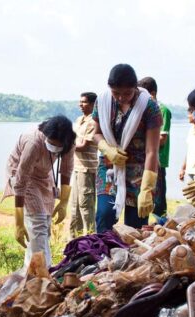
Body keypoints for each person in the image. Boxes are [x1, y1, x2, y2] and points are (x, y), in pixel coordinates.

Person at [92, 64, 163, 232]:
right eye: (116, 93)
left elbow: (152, 151)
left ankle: (133, 257)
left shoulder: (149, 106)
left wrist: (147, 189)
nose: (121, 98)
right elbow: (96, 134)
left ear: (135, 88)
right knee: (104, 216)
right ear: (109, 87)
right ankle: (102, 255)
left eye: (127, 93)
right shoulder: (102, 102)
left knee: (137, 225)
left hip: (141, 171)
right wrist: (107, 149)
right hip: (110, 168)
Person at [4, 116, 76, 267]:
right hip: (22, 174)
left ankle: (31, 272)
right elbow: (21, 181)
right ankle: (43, 273)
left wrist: (63, 202)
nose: (54, 148)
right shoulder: (34, 143)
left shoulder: (69, 143)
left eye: (58, 146)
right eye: (50, 143)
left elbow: (66, 171)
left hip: (44, 174)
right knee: (38, 223)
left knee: (45, 226)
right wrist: (18, 222)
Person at [138, 77, 171, 218]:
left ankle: (161, 223)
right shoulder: (143, 108)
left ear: (152, 93)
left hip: (158, 159)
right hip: (144, 160)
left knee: (158, 197)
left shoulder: (162, 109)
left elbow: (162, 139)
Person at [68, 92, 98, 237]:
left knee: (86, 206)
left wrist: (66, 145)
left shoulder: (94, 122)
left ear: (93, 104)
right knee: (74, 206)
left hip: (87, 169)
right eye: (80, 102)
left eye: (84, 102)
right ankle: (74, 240)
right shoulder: (79, 120)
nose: (81, 105)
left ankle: (91, 238)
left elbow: (84, 146)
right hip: (77, 167)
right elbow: (75, 141)